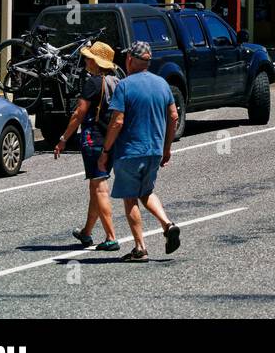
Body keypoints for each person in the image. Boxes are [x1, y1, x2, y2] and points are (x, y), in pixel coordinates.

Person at [99, 41, 181, 262]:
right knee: (146, 191)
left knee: (130, 197)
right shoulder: (162, 84)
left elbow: (117, 121)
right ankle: (167, 224)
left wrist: (106, 150)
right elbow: (173, 116)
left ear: (131, 60)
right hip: (154, 149)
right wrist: (167, 148)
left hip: (130, 151)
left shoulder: (124, 86)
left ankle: (140, 248)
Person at [54, 41, 121, 252]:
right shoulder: (117, 81)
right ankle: (87, 233)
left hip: (94, 139)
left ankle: (111, 237)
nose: (85, 61)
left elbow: (79, 113)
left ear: (95, 62)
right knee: (96, 185)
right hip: (113, 139)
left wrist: (64, 138)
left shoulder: (93, 83)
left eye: (88, 58)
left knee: (99, 187)